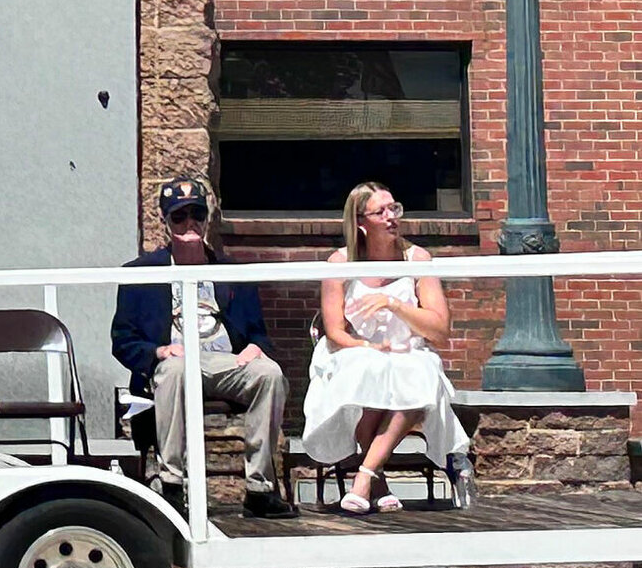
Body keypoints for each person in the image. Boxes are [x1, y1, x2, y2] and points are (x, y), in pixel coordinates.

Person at [111, 176, 296, 519]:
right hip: (175, 362)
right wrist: (159, 352)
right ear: (165, 222)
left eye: (197, 214)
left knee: (270, 373)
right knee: (175, 370)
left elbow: (258, 332)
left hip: (226, 361)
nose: (189, 223)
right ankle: (171, 485)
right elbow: (123, 340)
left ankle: (259, 488)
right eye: (179, 217)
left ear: (208, 219)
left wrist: (256, 348)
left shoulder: (231, 272)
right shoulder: (141, 274)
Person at [301, 181, 469, 514]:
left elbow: (439, 330)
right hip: (355, 350)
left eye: (395, 208)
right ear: (361, 222)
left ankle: (364, 478)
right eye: (381, 211)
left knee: (418, 372)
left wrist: (394, 304)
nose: (392, 217)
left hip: (407, 351)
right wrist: (368, 346)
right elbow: (334, 332)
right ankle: (377, 481)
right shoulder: (340, 263)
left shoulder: (417, 258)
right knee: (371, 369)